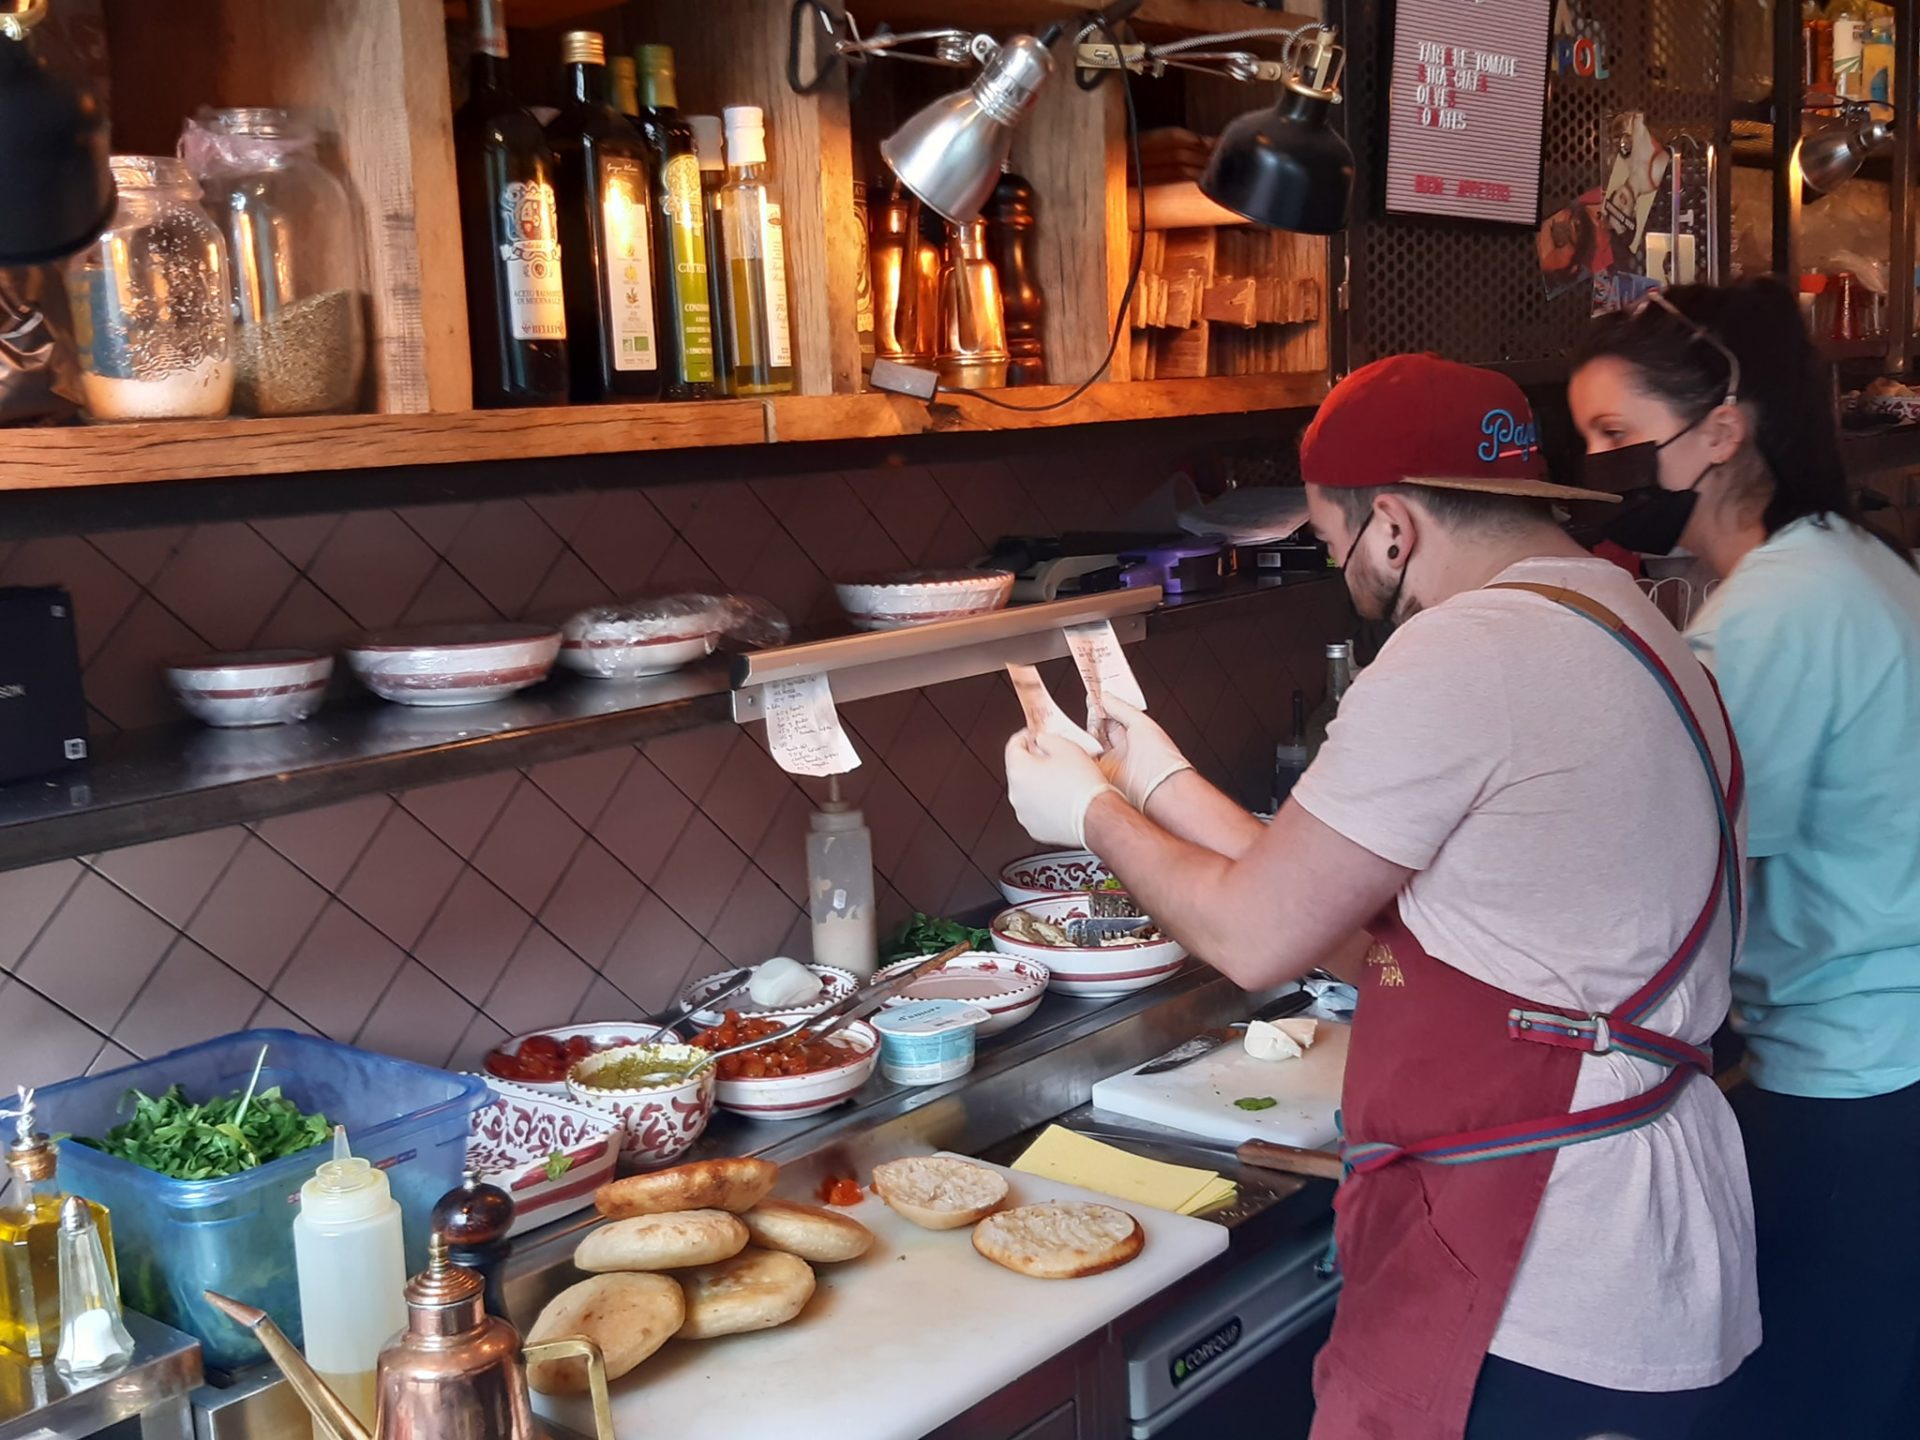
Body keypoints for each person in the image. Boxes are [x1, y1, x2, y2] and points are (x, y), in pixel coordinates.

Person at [1002, 355, 1759, 1440]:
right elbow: (1345, 919)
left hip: (1539, 1268)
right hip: (1649, 1235)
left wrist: (1089, 816)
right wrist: (1158, 782)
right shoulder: (1629, 621)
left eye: (1326, 539)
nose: (1337, 565)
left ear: (1393, 524)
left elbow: (1253, 938)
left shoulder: (1462, 650)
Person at [1571, 279, 1920, 1440]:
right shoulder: (1850, 562)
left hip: (1854, 1074)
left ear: (1722, 431)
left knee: (1819, 1403)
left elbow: (1686, 879)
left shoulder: (1770, 617)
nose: (1599, 466)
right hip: (1886, 1052)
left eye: (1617, 436)